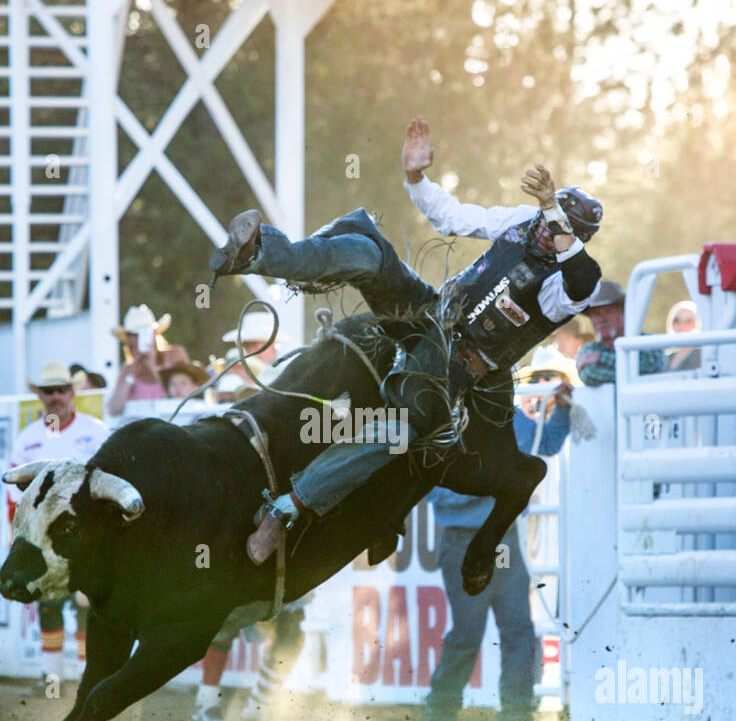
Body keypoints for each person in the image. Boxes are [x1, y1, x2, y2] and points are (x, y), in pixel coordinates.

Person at [211, 115, 604, 564]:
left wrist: (554, 210)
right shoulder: (521, 221)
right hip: (429, 313)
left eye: (554, 224)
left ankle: (286, 510)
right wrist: (416, 177)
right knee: (367, 245)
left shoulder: (573, 283)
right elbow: (456, 217)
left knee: (395, 430)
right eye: (544, 216)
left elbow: (583, 276)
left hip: (459, 367)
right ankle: (262, 253)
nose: (542, 226)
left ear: (572, 238)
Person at [424, 378, 573, 721]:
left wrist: (563, 410)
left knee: (517, 627)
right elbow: (431, 488)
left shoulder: (508, 420)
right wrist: (492, 488)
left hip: (499, 543)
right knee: (469, 630)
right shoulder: (444, 425)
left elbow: (546, 441)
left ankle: (516, 717)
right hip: (468, 542)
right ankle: (442, 711)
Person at [9, 361, 111, 682]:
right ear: (39, 395)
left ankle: (86, 676)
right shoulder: (27, 439)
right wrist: (17, 539)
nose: (55, 396)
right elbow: (14, 496)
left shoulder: (96, 432)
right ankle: (51, 677)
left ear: (72, 392)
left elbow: (108, 485)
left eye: (61, 389)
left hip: (87, 534)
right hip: (43, 536)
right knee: (48, 602)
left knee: (87, 604)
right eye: (48, 391)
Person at [575, 280, 667, 386]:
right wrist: (632, 373)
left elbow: (652, 366)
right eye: (595, 314)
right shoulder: (590, 350)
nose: (602, 319)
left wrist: (600, 358)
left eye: (608, 311)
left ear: (624, 313)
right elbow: (590, 374)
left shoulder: (648, 343)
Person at [105, 305, 190, 416]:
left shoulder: (175, 355)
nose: (140, 338)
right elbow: (113, 410)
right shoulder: (128, 368)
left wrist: (152, 367)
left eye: (146, 332)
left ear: (155, 333)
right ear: (129, 339)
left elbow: (180, 396)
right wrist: (131, 374)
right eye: (135, 335)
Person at [665, 300, 701, 372]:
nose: (681, 326)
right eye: (677, 321)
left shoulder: (701, 355)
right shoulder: (667, 356)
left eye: (688, 321)